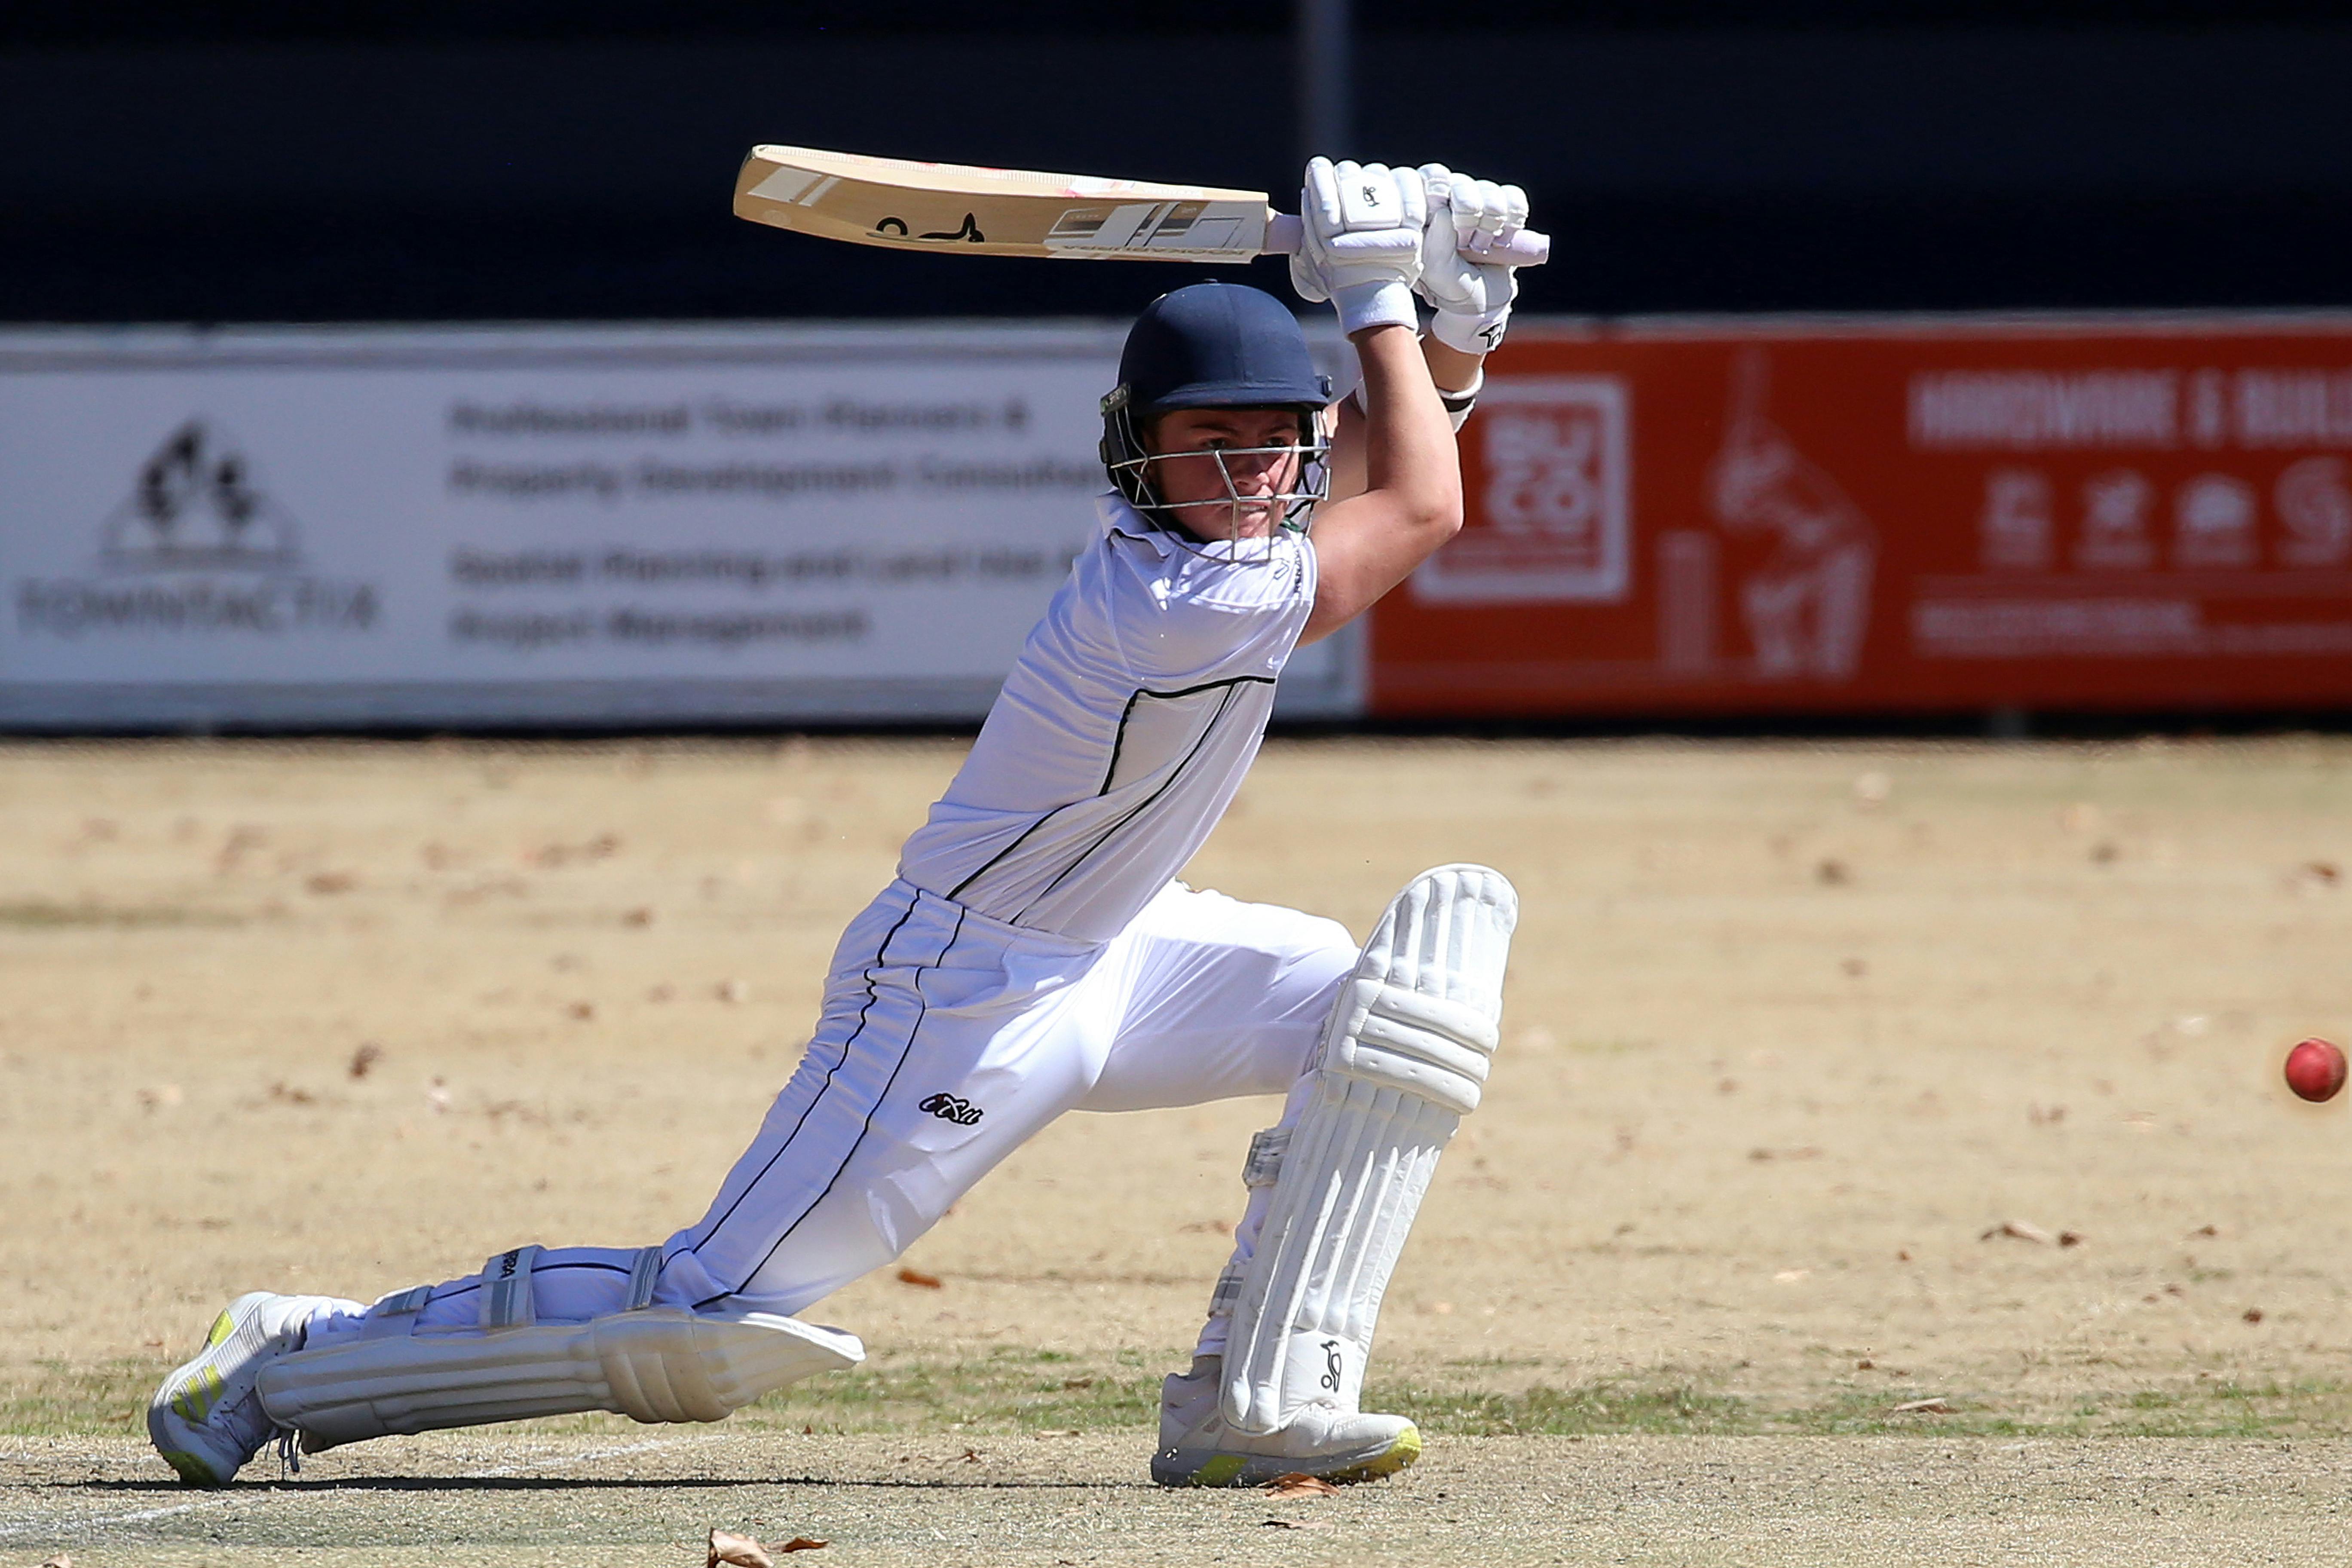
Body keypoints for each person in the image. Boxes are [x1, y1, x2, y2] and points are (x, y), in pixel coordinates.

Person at [146, 159, 1530, 1491]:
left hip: (1122, 946)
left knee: (1390, 1011)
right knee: (712, 1304)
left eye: (1268, 449)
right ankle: (293, 1351)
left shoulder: (1253, 544)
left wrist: (1447, 325)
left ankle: (1256, 1406)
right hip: (962, 986)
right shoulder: (1168, 599)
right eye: (1204, 447)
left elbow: (1380, 459)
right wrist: (1378, 302)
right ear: (1139, 457)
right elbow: (1416, 499)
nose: (1243, 481)